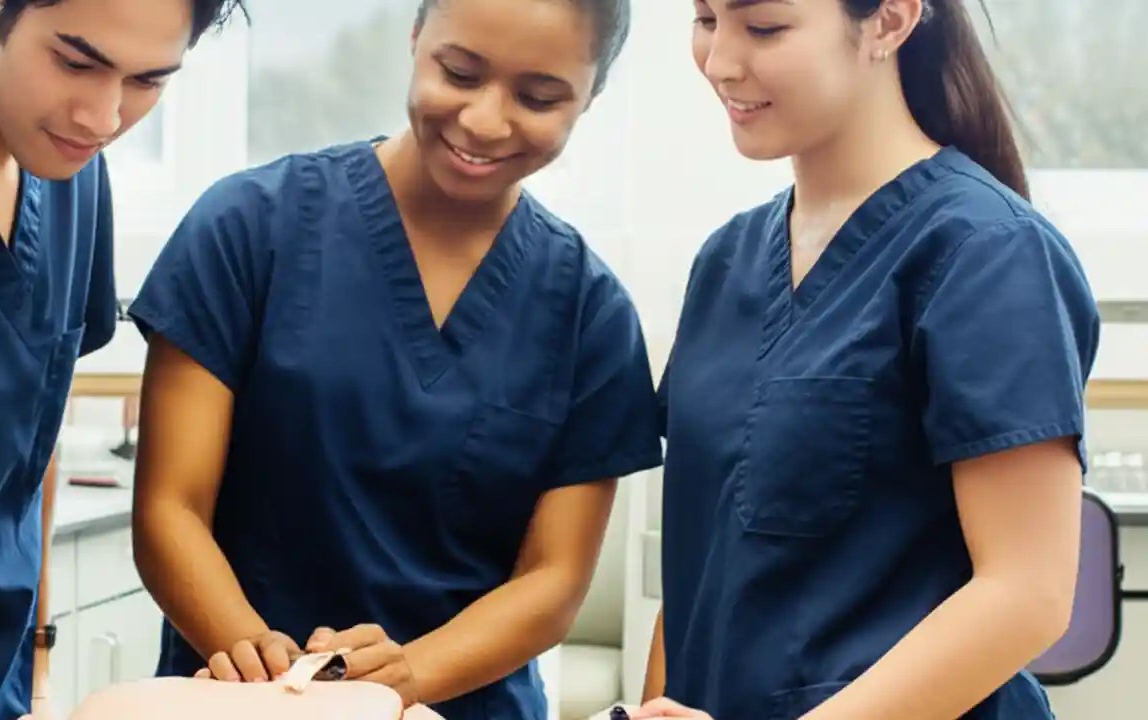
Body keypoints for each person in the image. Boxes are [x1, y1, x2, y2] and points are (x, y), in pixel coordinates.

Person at [126, 0, 661, 718]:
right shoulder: (249, 229)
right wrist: (285, 688)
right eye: (460, 72)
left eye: (538, 97)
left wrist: (400, 680)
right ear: (414, 39)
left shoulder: (590, 315)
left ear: (591, 94)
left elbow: (553, 581)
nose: (484, 120)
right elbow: (169, 510)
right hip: (241, 698)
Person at [630, 1, 1099, 719]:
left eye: (763, 28)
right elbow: (706, 570)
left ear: (889, 22)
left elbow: (1027, 595)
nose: (720, 60)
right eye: (704, 18)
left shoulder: (986, 252)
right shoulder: (726, 261)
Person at [0, 1, 245, 719]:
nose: (102, 118)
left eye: (149, 81)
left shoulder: (70, 172)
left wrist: (39, 671)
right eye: (76, 61)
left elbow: (33, 450)